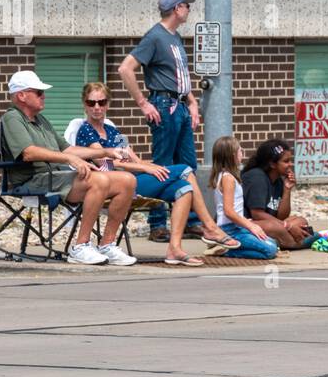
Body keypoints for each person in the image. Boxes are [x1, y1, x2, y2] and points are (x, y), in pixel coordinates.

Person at [72, 81, 239, 265]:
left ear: (108, 104)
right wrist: (146, 168)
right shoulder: (85, 130)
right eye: (91, 103)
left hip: (131, 180)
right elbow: (108, 161)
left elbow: (132, 159)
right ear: (84, 105)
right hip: (113, 186)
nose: (97, 107)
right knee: (184, 169)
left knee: (183, 188)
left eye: (101, 102)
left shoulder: (112, 131)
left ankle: (175, 248)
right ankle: (210, 227)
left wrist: (149, 166)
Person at [0, 71, 139, 265]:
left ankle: (107, 244)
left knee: (127, 181)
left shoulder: (41, 120)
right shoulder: (12, 118)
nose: (44, 96)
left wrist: (105, 152)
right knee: (99, 179)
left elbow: (69, 148)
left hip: (56, 175)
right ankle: (80, 246)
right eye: (39, 92)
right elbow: (28, 153)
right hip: (34, 179)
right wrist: (70, 159)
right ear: (22, 95)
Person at [118, 0, 204, 243]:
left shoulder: (175, 37)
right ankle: (157, 223)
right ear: (177, 8)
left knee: (187, 165)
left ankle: (189, 220)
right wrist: (143, 102)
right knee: (163, 167)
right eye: (187, 5)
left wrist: (192, 102)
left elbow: (180, 77)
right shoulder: (155, 36)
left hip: (180, 105)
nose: (189, 9)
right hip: (164, 104)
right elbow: (126, 68)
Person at [209, 136, 279, 261]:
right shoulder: (227, 178)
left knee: (273, 243)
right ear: (232, 155)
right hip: (229, 230)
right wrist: (250, 226)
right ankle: (225, 250)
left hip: (237, 227)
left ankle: (225, 246)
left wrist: (245, 222)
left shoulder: (228, 176)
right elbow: (228, 211)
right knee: (270, 251)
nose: (243, 153)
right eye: (240, 150)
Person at [240, 138, 317, 250]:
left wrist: (287, 189)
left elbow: (281, 216)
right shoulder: (257, 177)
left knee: (301, 221)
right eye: (286, 161)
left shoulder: (278, 180)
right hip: (246, 224)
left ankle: (283, 241)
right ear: (272, 164)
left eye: (290, 160)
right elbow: (256, 214)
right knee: (277, 227)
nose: (290, 164)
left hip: (266, 224)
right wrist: (289, 227)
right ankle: (299, 242)